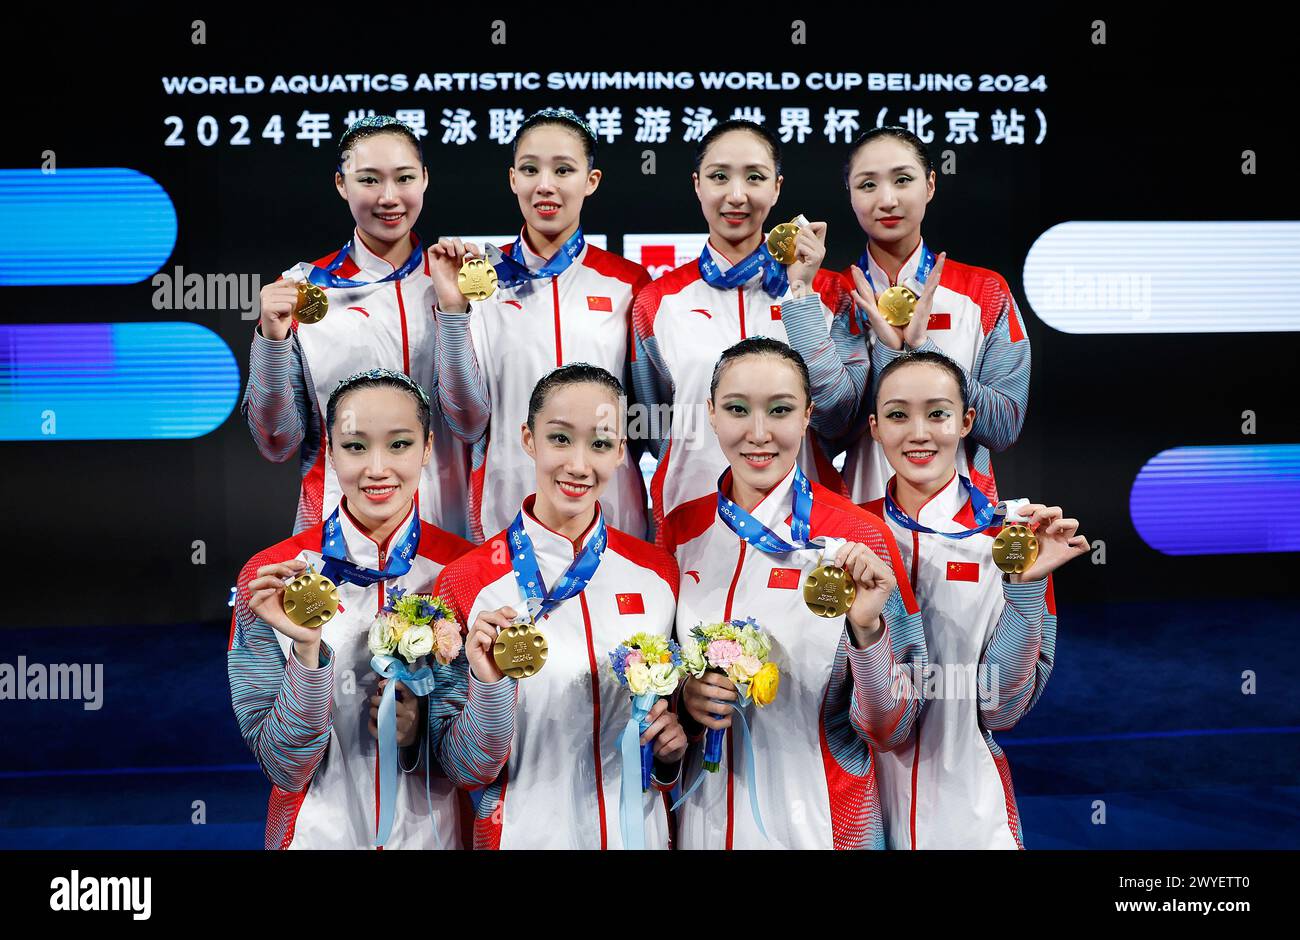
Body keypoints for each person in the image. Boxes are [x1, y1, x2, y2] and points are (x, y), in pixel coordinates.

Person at [663, 338, 926, 849]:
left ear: (807, 416)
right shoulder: (679, 533)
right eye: (737, 409)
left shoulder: (861, 536)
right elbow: (658, 687)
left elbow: (893, 728)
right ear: (711, 415)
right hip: (704, 821)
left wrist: (869, 635)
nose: (758, 433)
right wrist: (684, 703)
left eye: (779, 410)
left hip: (828, 823)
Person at [428, 364, 685, 849]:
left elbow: (665, 745)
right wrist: (488, 686)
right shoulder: (466, 581)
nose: (579, 465)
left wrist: (671, 754)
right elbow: (461, 767)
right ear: (529, 439)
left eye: (601, 443)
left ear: (621, 450)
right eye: (561, 439)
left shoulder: (658, 573)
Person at [228, 369, 472, 849]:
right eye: (356, 447)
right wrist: (306, 651)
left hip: (437, 837)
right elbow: (283, 765)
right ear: (331, 454)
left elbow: (481, 761)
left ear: (427, 449)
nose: (377, 468)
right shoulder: (271, 576)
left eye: (399, 445)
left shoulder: (469, 573)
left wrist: (421, 735)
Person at [859, 351, 1087, 848]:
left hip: (968, 816)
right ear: (875, 428)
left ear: (965, 422)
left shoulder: (1014, 536)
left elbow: (1001, 708)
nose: (918, 432)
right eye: (898, 415)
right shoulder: (846, 535)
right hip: (853, 810)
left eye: (937, 413)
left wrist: (1026, 587)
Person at [631, 119, 868, 545]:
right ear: (697, 185)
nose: (736, 195)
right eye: (719, 177)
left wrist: (800, 292)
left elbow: (837, 417)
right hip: (693, 518)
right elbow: (654, 424)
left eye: (754, 178)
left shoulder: (831, 291)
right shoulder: (657, 301)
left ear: (776, 188)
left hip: (808, 523)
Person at [242, 114, 470, 537]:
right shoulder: (300, 288)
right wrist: (271, 342)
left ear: (424, 179)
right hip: (333, 528)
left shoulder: (459, 282)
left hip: (448, 526)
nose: (389, 197)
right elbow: (276, 443)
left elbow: (471, 422)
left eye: (404, 178)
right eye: (368, 180)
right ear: (341, 184)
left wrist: (454, 311)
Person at [432, 108, 651, 542]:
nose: (545, 185)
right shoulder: (479, 279)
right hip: (505, 508)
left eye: (563, 169)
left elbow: (649, 417)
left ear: (591, 181)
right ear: (513, 179)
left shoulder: (629, 283)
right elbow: (465, 420)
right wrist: (454, 311)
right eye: (530, 169)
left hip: (611, 508)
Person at [837, 125, 1031, 504]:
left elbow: (1004, 426)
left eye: (903, 180)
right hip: (857, 521)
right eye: (867, 185)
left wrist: (924, 349)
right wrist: (889, 354)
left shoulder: (985, 292)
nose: (887, 200)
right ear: (850, 194)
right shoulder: (834, 296)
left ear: (930, 185)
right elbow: (830, 424)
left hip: (963, 524)